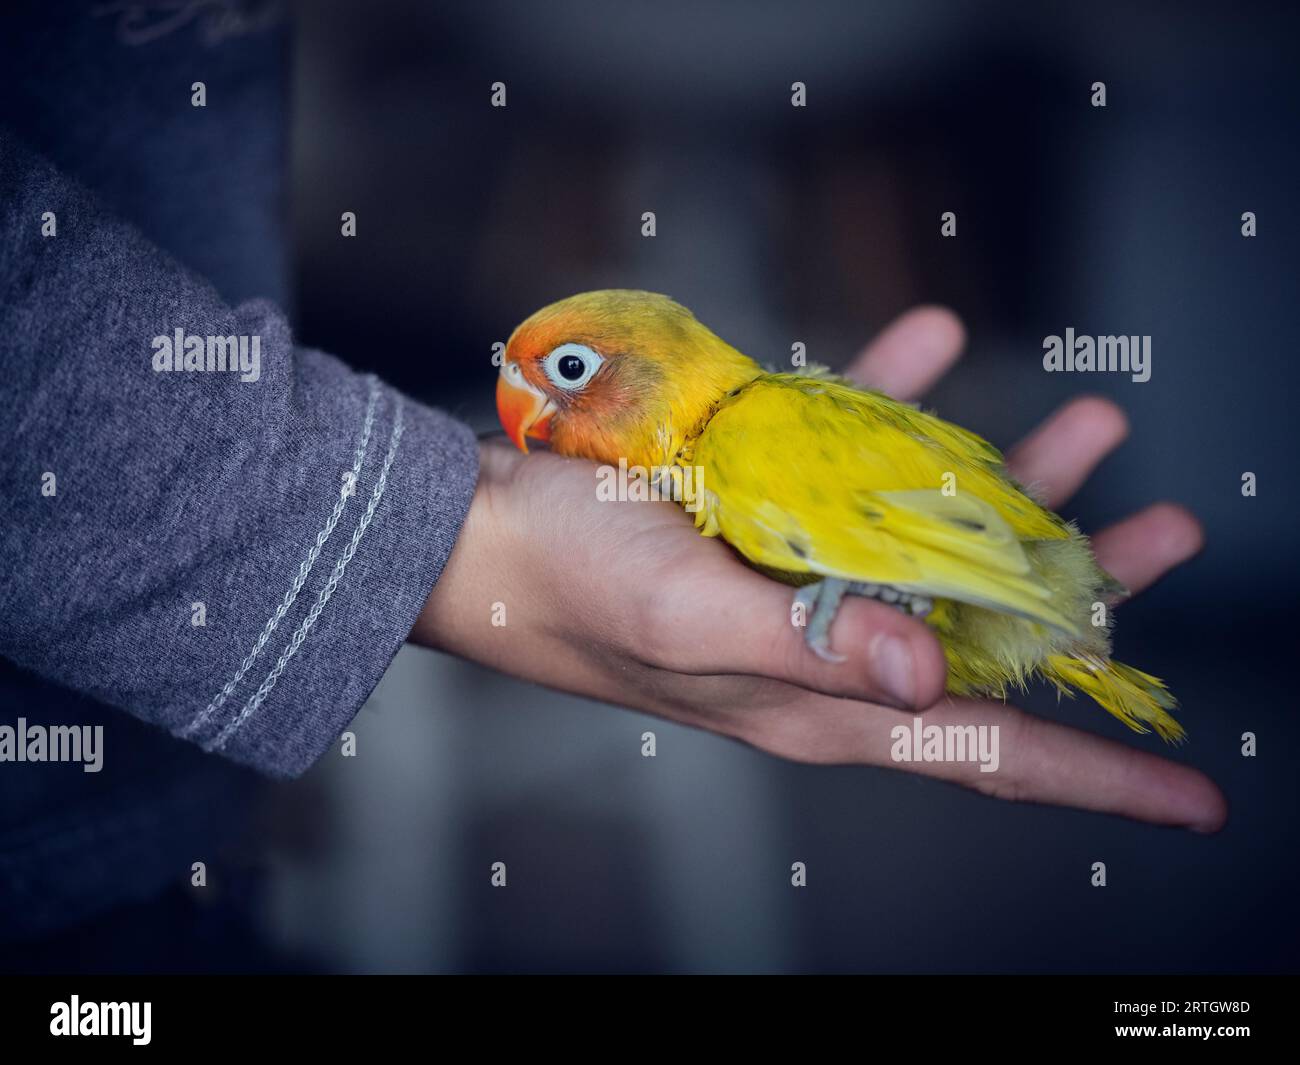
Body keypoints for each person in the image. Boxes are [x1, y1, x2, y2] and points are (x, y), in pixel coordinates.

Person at [0, 1, 1224, 968]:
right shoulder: (717, 444)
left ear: (654, 374)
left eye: (569, 375)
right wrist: (460, 537)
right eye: (532, 380)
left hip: (158, 830)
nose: (525, 414)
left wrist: (998, 594)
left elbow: (928, 545)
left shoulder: (744, 435)